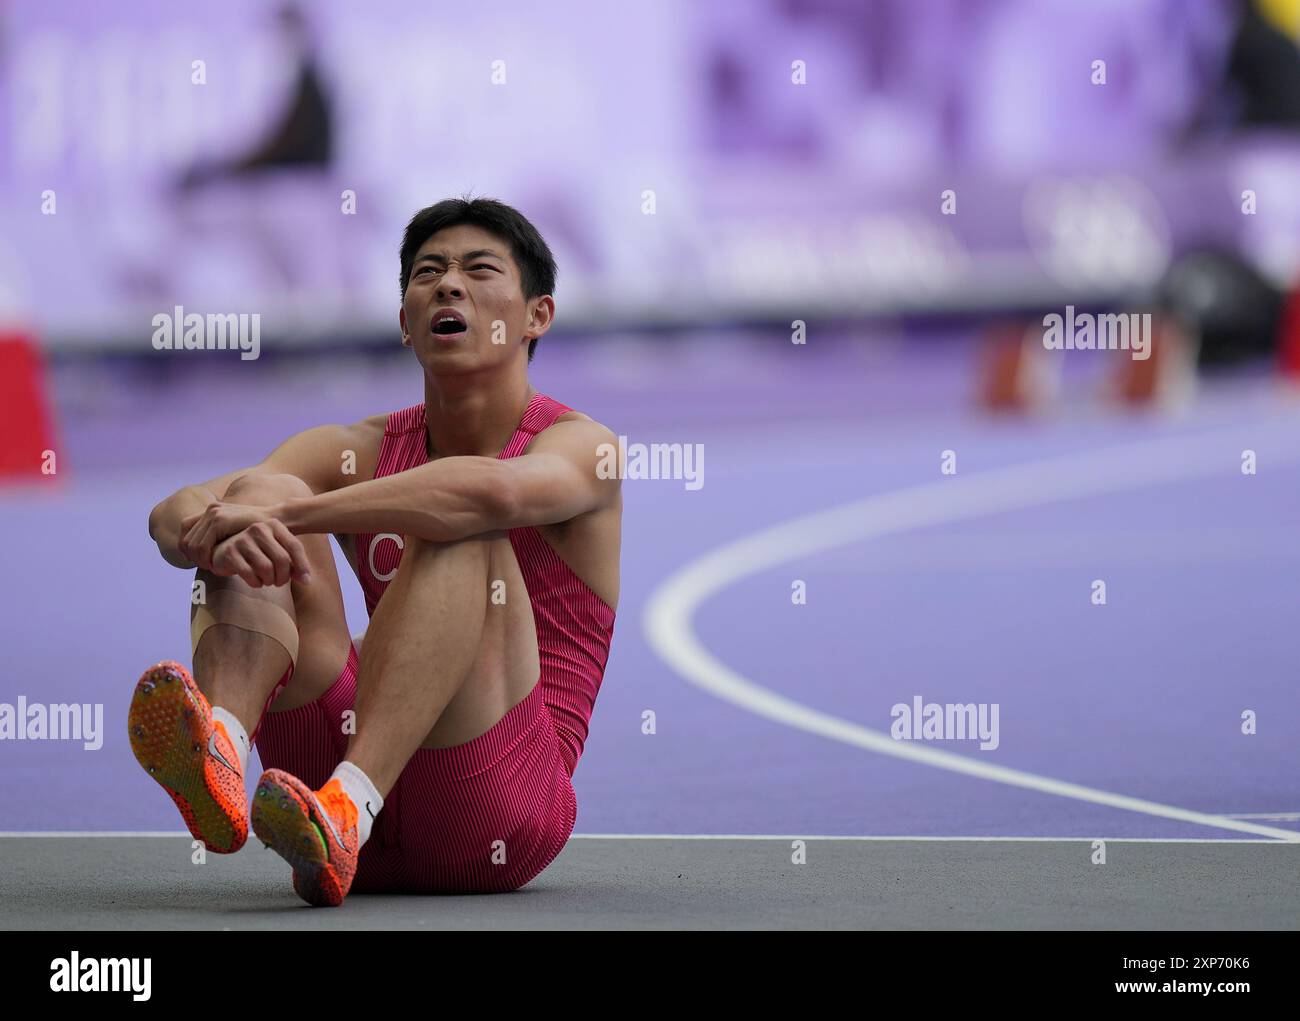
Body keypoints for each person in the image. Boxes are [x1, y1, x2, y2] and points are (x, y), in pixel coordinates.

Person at [134, 198, 621, 907]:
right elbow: (170, 511)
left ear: (537, 316)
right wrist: (209, 525)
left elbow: (486, 493)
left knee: (456, 520)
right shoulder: (357, 446)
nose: (449, 285)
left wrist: (291, 512)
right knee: (257, 493)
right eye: (428, 273)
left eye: (478, 270)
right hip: (320, 782)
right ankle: (224, 747)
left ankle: (347, 810)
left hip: (493, 811)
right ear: (404, 323)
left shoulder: (585, 447)